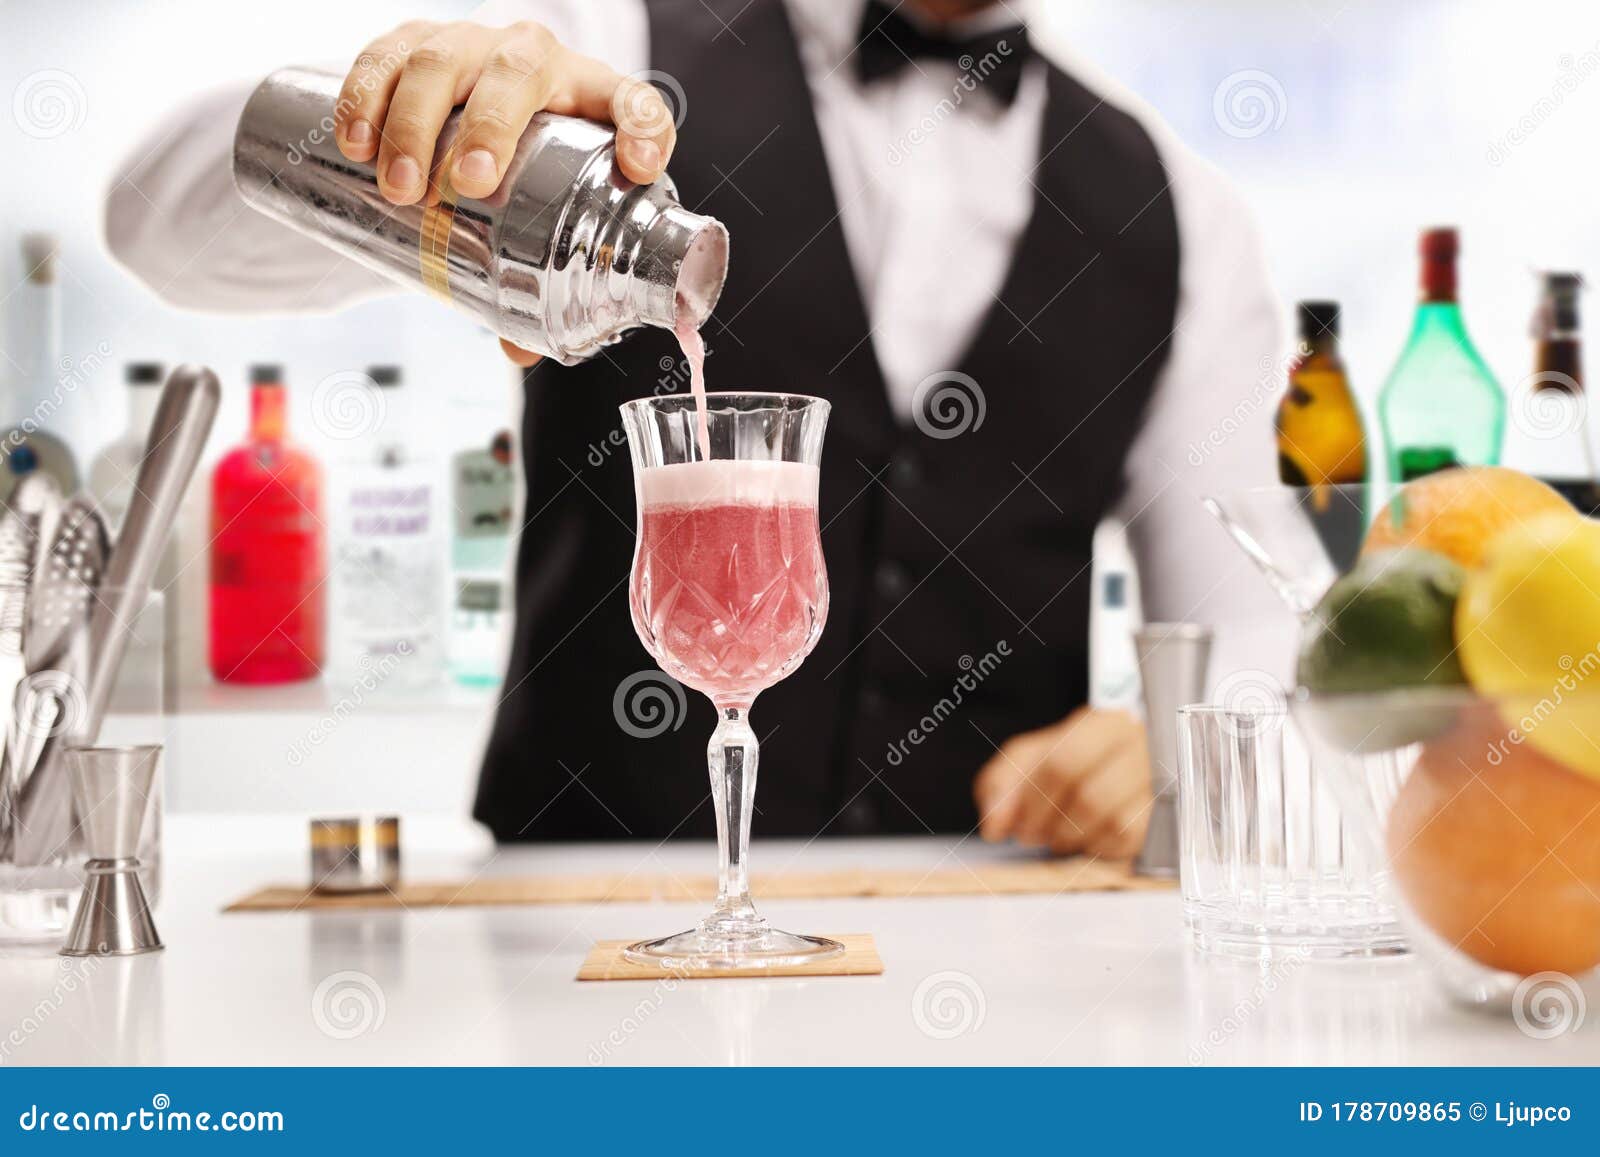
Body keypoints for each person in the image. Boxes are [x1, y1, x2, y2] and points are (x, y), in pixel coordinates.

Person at [106, 0, 1280, 856]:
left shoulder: (1180, 208)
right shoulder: (604, 44)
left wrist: (1168, 749)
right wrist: (399, 118)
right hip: (573, 941)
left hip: (993, 945)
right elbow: (154, 224)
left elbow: (1259, 621)